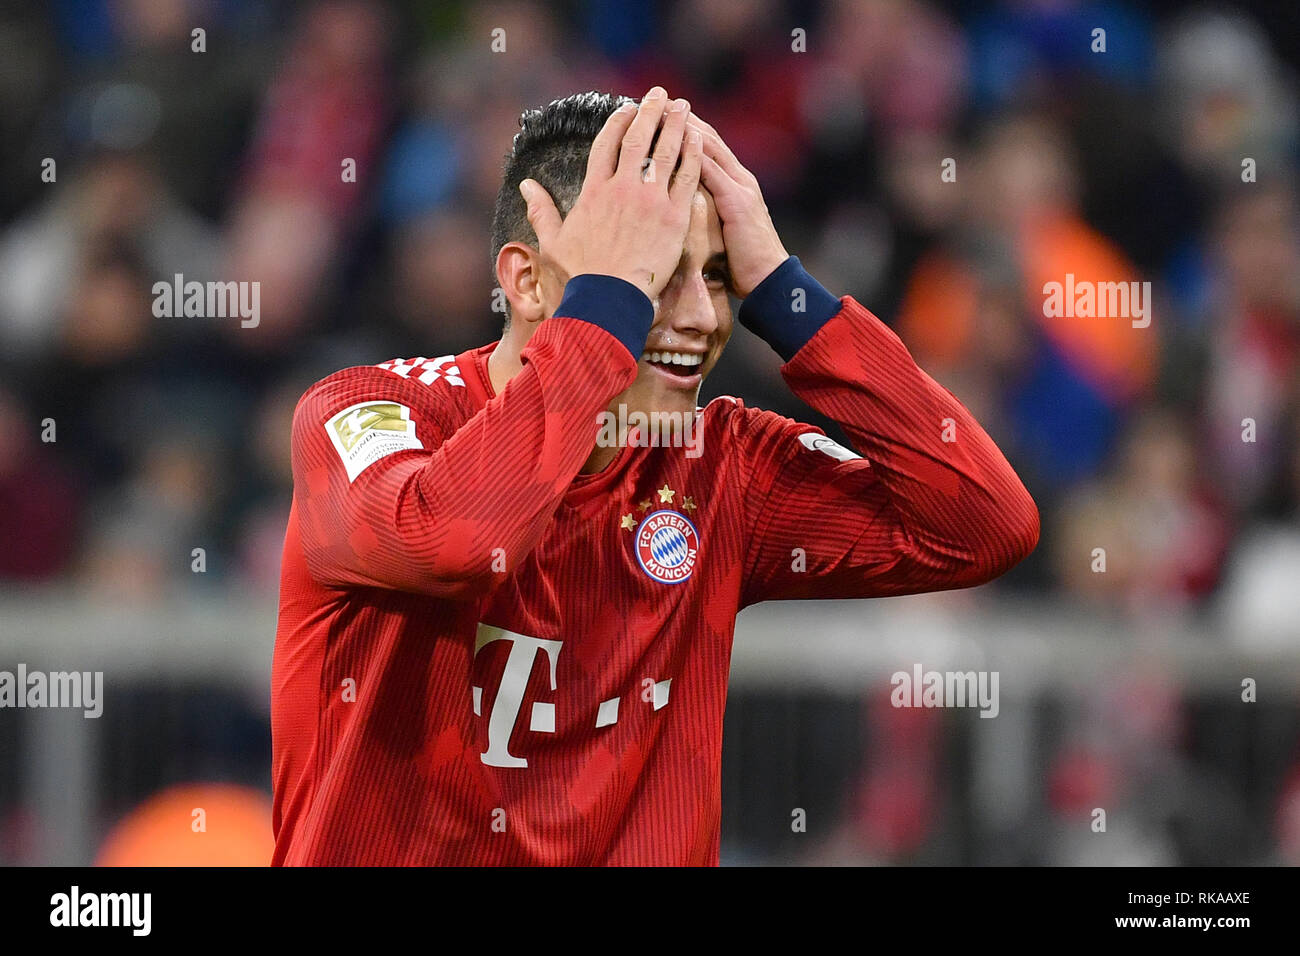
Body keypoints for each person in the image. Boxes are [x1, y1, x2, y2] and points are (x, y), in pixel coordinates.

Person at [271, 88, 1039, 865]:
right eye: (655, 277)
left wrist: (783, 291)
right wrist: (603, 317)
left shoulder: (723, 466)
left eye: (717, 274)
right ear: (530, 282)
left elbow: (983, 524)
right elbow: (456, 539)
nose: (705, 317)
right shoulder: (369, 412)